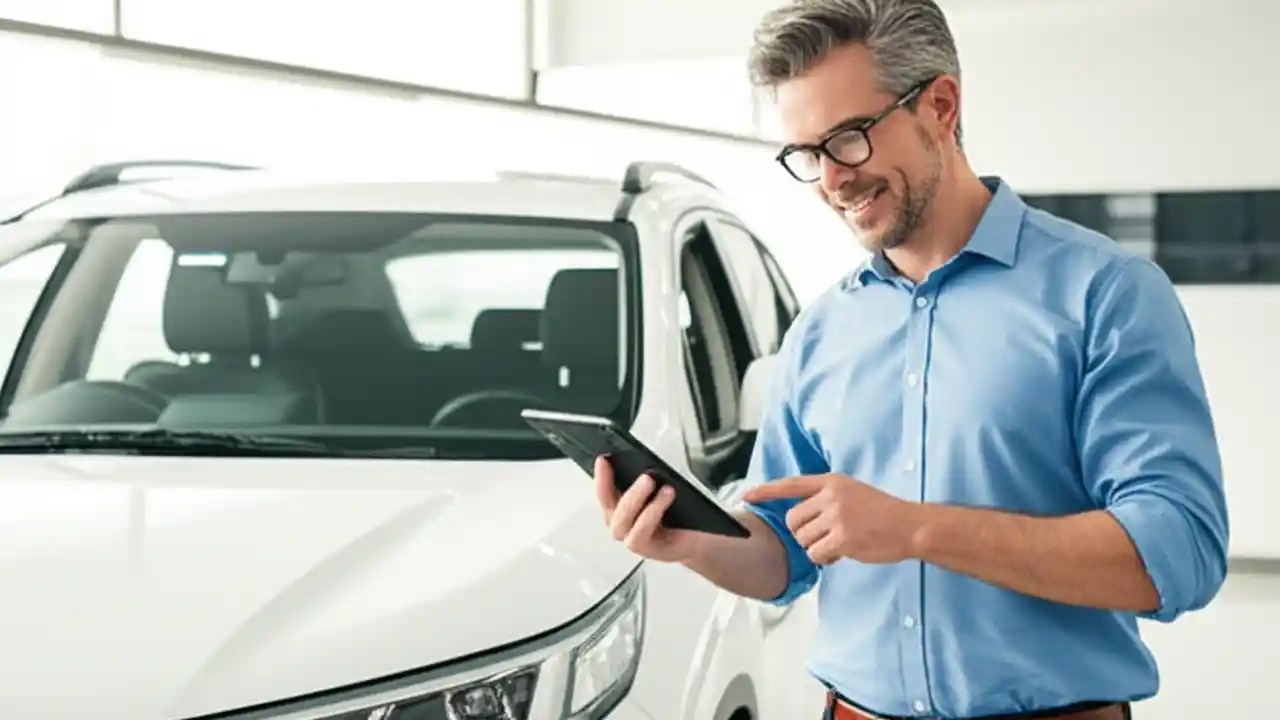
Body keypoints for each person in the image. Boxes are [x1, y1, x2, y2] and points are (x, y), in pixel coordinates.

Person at [594, 0, 1230, 718]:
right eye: (807, 154)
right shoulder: (822, 330)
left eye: (851, 138)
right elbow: (783, 553)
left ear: (941, 105)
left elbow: (1182, 551)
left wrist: (916, 527)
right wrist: (692, 542)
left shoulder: (1105, 295)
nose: (832, 179)